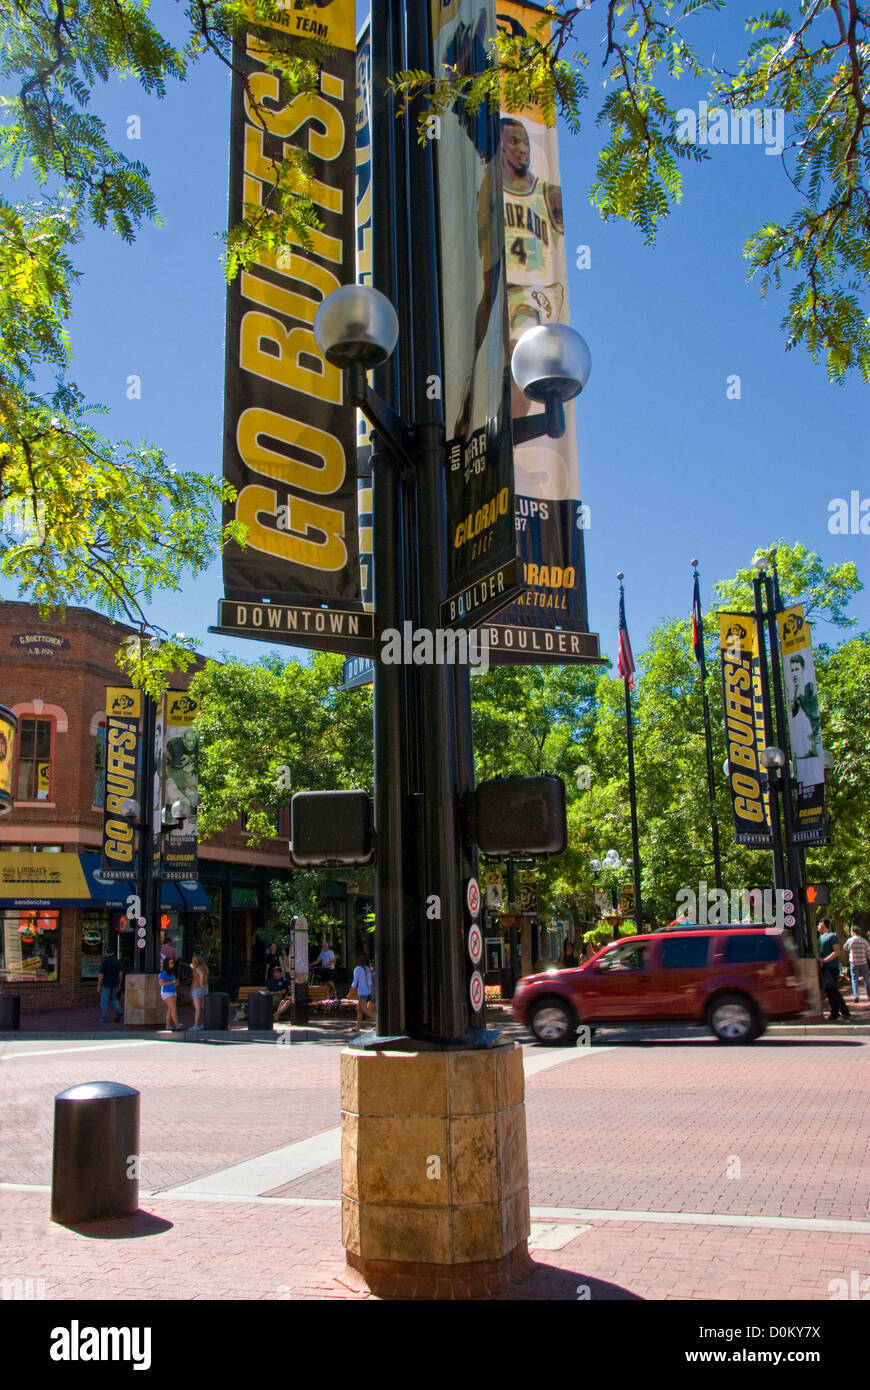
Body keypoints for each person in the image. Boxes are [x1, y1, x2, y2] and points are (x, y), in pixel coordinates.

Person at [817, 919, 851, 1021]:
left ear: (823, 924)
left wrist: (824, 960)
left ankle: (844, 1012)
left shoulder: (832, 936)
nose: (817, 926)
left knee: (833, 990)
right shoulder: (820, 938)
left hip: (831, 967)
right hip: (824, 967)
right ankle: (835, 1012)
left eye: (819, 924)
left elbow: (837, 951)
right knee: (829, 991)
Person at [350, 955, 376, 1033]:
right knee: (359, 1009)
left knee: (365, 1010)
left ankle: (379, 1021)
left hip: (362, 992)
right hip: (368, 991)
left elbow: (354, 983)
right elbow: (369, 981)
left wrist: (350, 993)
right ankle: (357, 1027)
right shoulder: (367, 969)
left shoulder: (357, 969)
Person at [97, 947, 124, 1023]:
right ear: (113, 952)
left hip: (106, 983)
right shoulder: (117, 961)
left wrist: (99, 985)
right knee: (113, 998)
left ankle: (103, 1017)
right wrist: (119, 983)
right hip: (115, 983)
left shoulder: (105, 961)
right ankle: (119, 1010)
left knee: (104, 1000)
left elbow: (101, 974)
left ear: (106, 952)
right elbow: (120, 974)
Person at [844, 926, 870, 1003]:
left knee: (854, 979)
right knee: (866, 980)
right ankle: (869, 996)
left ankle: (856, 996)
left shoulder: (850, 940)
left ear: (854, 932)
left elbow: (845, 948)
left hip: (854, 962)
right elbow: (868, 952)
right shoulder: (864, 941)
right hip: (863, 962)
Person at [158, 958, 182, 1031]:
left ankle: (168, 1025)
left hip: (172, 991)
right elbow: (161, 983)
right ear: (167, 964)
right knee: (173, 1009)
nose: (172, 964)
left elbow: (174, 982)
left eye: (172, 963)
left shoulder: (171, 972)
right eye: (171, 963)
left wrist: (176, 983)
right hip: (167, 992)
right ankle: (177, 1025)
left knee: (170, 1009)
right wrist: (172, 982)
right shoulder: (163, 973)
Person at [189, 953, 209, 1030]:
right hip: (205, 988)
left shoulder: (197, 968)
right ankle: (204, 1023)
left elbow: (201, 975)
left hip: (197, 988)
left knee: (197, 1008)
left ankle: (196, 1025)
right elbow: (205, 975)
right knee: (204, 1007)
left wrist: (200, 983)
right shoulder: (205, 967)